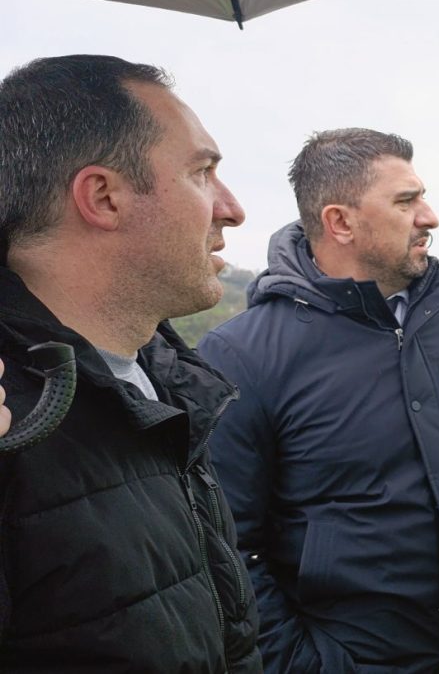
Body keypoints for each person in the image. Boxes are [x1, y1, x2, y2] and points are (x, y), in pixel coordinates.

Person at [197, 128, 439, 673]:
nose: (429, 216)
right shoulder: (240, 355)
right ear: (341, 222)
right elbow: (227, 541)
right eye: (406, 201)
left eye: (421, 195)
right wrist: (302, 664)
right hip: (355, 659)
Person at [0, 55, 259, 670]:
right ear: (103, 196)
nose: (233, 208)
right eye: (202, 173)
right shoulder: (12, 426)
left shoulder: (164, 382)